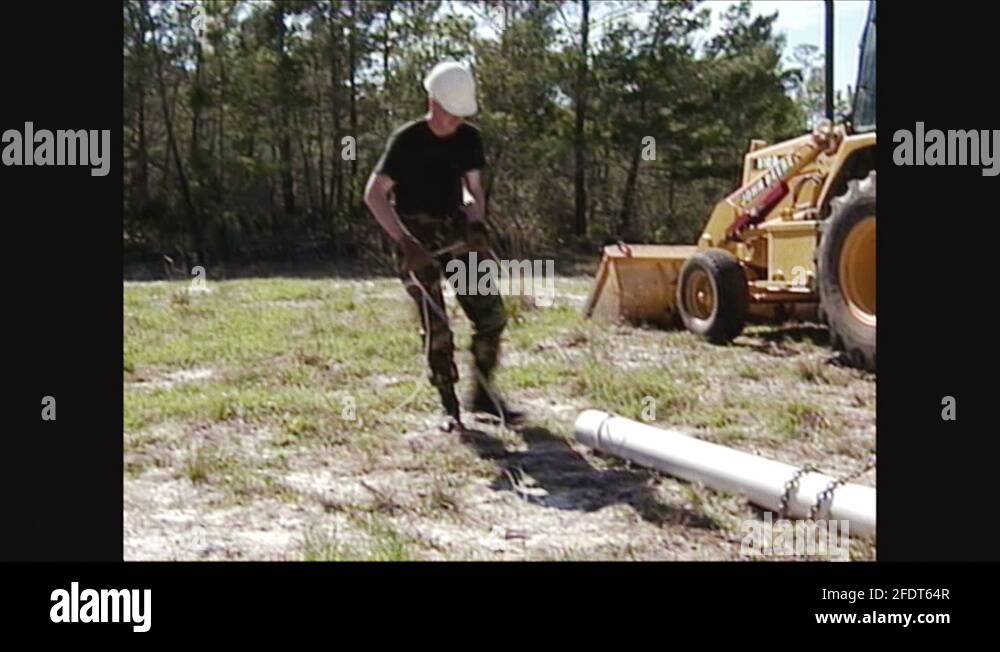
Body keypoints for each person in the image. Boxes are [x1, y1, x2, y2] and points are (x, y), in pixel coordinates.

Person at [363, 61, 522, 432]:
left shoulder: (469, 138)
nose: (456, 122)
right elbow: (374, 195)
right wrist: (406, 242)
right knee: (438, 329)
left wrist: (476, 221)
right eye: (451, 114)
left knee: (491, 315)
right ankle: (449, 408)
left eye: (461, 115)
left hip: (456, 233)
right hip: (415, 236)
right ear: (432, 101)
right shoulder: (407, 140)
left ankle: (483, 395)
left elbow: (473, 188)